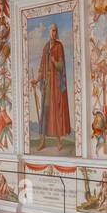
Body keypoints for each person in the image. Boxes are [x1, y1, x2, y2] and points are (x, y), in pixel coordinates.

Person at [32, 23, 72, 151]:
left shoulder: (59, 46)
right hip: (47, 83)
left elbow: (61, 66)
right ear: (49, 32)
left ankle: (59, 141)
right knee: (45, 111)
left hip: (56, 84)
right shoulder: (45, 48)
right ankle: (42, 141)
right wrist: (36, 80)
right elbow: (41, 67)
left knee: (56, 112)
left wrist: (55, 61)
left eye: (55, 31)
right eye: (52, 31)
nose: (53, 33)